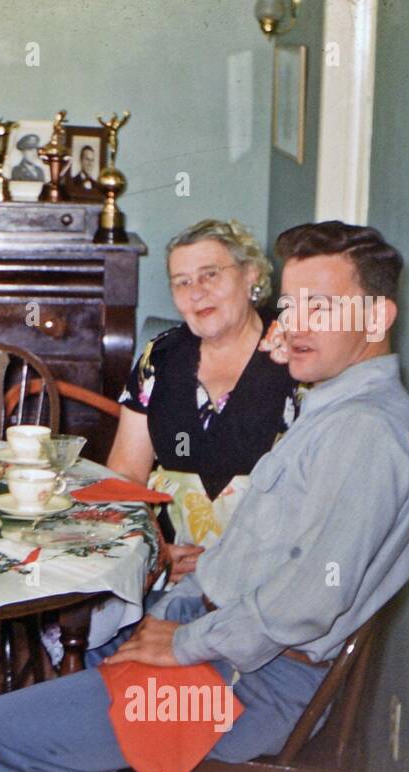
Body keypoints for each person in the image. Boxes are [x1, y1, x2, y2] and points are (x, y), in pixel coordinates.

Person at [0, 221, 409, 772]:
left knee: (1, 735)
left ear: (378, 316)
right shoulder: (337, 405)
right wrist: (174, 614)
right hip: (243, 655)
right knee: (99, 652)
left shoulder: (364, 434)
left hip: (258, 686)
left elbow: (303, 605)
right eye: (292, 304)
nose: (296, 324)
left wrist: (181, 642)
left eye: (321, 307)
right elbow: (257, 557)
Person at [111, 218, 302, 586]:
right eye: (182, 282)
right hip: (169, 569)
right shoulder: (160, 357)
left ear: (251, 276)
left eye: (210, 275)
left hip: (269, 579)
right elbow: (126, 476)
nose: (195, 292)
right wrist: (156, 550)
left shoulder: (295, 351)